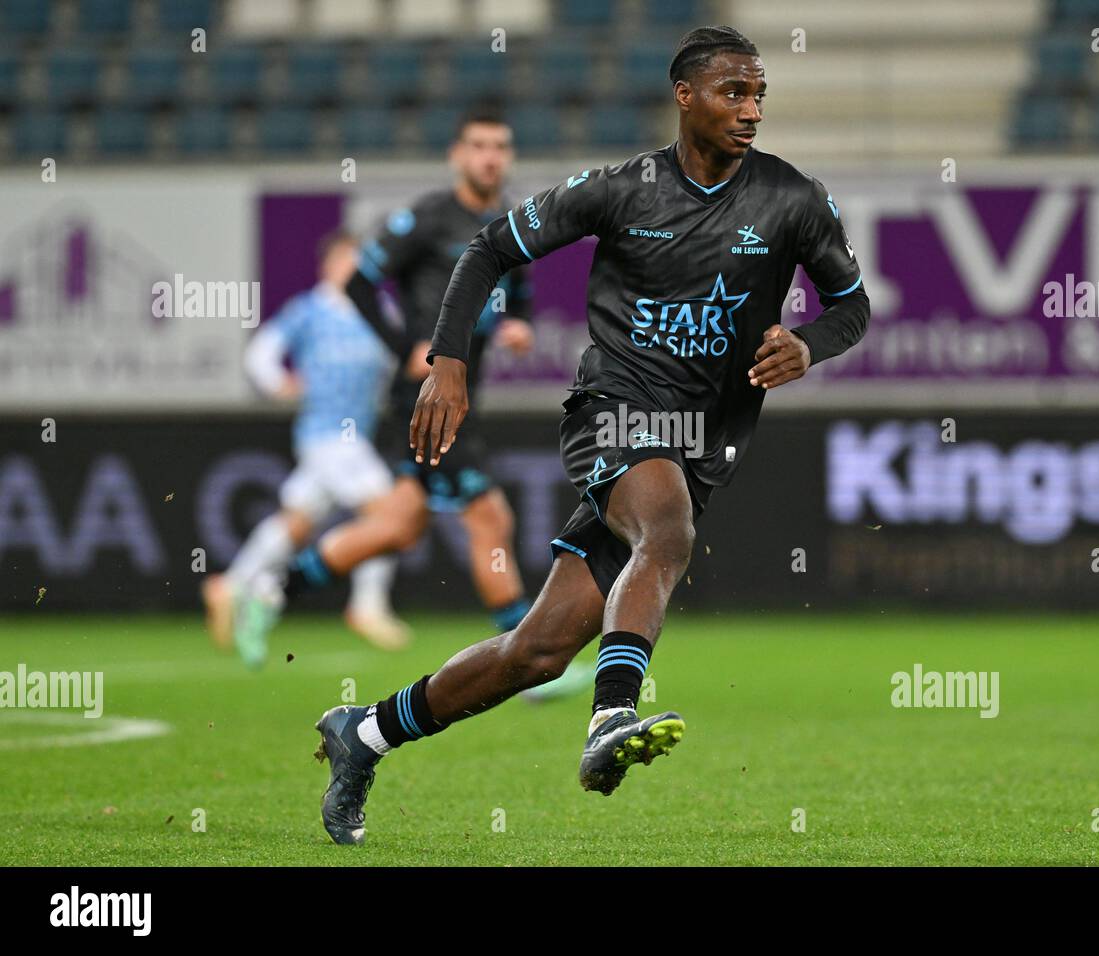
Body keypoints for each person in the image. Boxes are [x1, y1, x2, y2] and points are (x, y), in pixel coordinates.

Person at [313, 26, 870, 845]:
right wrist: (450, 361)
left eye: (759, 95)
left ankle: (363, 734)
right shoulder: (620, 190)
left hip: (704, 439)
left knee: (535, 652)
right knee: (667, 529)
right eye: (733, 93)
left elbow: (852, 306)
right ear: (685, 97)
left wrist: (808, 343)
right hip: (614, 404)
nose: (751, 110)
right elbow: (488, 249)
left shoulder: (792, 200)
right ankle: (613, 715)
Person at [235, 113, 588, 702]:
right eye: (478, 146)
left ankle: (272, 589)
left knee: (397, 527)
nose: (490, 157)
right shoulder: (426, 219)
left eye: (500, 146)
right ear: (458, 155)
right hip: (425, 400)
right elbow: (359, 285)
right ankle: (525, 665)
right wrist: (406, 349)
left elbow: (519, 296)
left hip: (463, 398)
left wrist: (519, 327)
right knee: (489, 517)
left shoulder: (515, 228)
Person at [202, 230, 407, 667]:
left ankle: (232, 586)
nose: (356, 272)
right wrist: (280, 383)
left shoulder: (378, 310)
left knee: (295, 525)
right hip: (327, 436)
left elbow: (399, 362)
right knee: (389, 513)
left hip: (355, 438)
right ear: (328, 266)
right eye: (348, 262)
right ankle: (367, 605)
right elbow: (260, 354)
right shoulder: (310, 312)